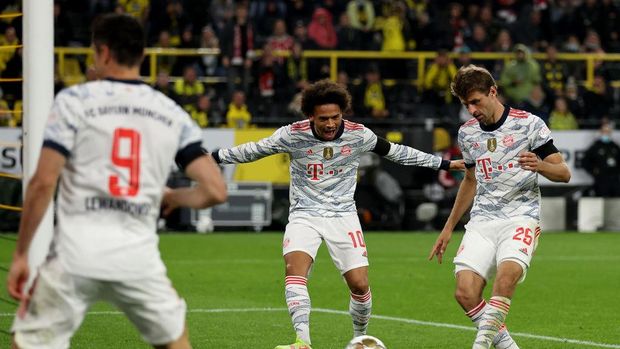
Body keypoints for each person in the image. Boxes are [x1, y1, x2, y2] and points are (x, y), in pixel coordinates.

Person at [7, 14, 227, 349]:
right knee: (176, 342)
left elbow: (42, 182)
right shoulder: (171, 113)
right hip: (137, 258)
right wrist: (171, 196)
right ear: (140, 54)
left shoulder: (74, 102)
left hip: (74, 256)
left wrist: (22, 253)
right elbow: (215, 191)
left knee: (28, 343)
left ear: (104, 52)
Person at [211, 79, 465, 349]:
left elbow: (397, 153)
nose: (331, 124)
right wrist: (210, 156)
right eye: (324, 119)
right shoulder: (291, 134)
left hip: (343, 215)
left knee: (359, 285)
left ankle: (359, 338)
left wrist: (444, 164)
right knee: (295, 271)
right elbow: (252, 150)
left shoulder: (359, 135)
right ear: (311, 116)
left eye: (335, 117)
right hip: (304, 214)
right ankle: (302, 342)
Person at [429, 65, 571, 349]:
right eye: (466, 104)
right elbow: (469, 180)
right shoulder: (467, 133)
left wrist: (540, 165)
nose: (471, 110)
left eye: (475, 102)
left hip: (521, 218)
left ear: (492, 92)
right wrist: (448, 228)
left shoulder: (529, 124)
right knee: (465, 293)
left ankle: (480, 346)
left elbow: (563, 173)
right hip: (482, 221)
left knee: (505, 281)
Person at [582, 119, 620, 197]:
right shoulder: (595, 147)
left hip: (615, 180)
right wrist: (593, 170)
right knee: (602, 199)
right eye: (604, 131)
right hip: (601, 180)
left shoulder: (615, 147)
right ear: (601, 132)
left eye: (608, 131)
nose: (606, 133)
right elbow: (585, 162)